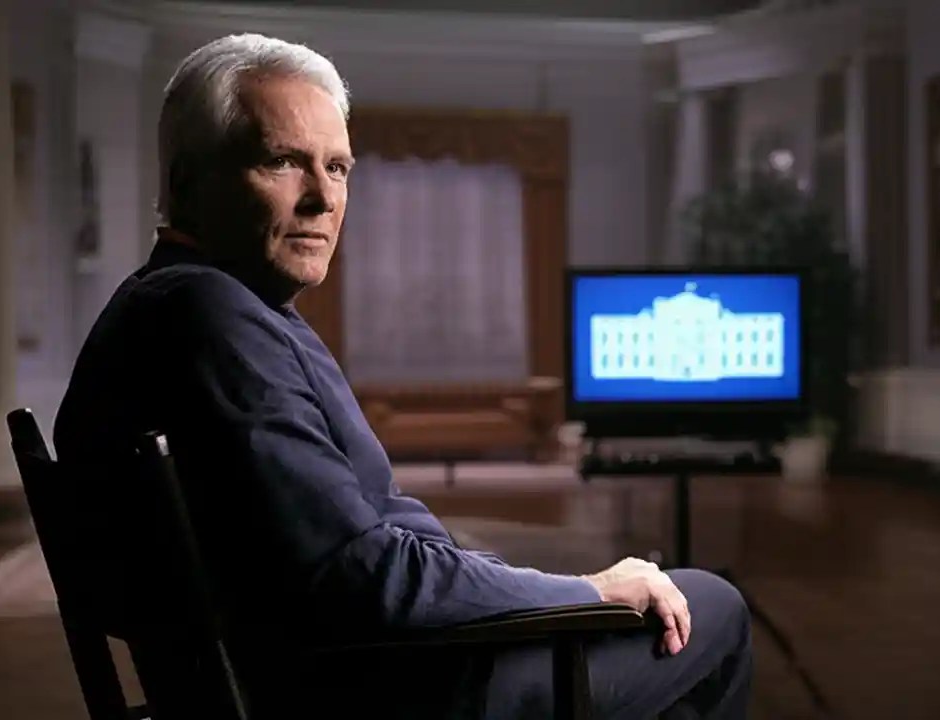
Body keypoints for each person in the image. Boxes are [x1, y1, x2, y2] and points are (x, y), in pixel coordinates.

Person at [54, 32, 752, 719]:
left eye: (338, 168)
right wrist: (588, 590)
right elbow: (363, 576)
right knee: (710, 604)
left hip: (333, 668)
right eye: (282, 162)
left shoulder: (179, 302)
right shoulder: (212, 317)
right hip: (381, 689)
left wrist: (498, 579)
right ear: (186, 182)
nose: (323, 200)